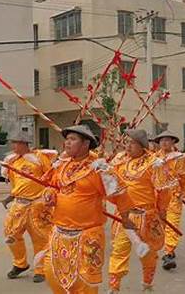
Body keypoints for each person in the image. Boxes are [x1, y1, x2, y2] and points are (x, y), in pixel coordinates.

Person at [42, 125, 133, 294]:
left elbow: (120, 195)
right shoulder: (62, 165)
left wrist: (126, 218)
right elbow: (53, 185)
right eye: (66, 139)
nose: (67, 143)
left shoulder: (99, 168)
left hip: (87, 234)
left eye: (72, 139)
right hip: (60, 232)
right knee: (51, 273)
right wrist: (50, 194)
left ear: (85, 144)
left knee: (85, 283)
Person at [108, 129, 173, 293]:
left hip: (147, 215)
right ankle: (114, 287)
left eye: (132, 143)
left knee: (148, 254)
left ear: (141, 145)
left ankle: (147, 284)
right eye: (126, 142)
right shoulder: (119, 160)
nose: (127, 146)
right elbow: (110, 183)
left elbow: (164, 191)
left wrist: (162, 210)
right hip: (124, 215)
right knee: (118, 250)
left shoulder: (153, 163)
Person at [1, 130, 53, 283]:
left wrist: (47, 196)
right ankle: (20, 263)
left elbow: (50, 177)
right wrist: (11, 196)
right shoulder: (13, 161)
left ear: (24, 144)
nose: (13, 146)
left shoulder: (39, 158)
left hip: (37, 204)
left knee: (40, 238)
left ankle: (40, 269)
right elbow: (16, 183)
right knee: (11, 234)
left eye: (15, 143)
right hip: (19, 204)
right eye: (13, 142)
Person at [152, 130, 185, 270]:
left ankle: (168, 253)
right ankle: (168, 247)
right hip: (158, 195)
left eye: (168, 140)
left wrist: (183, 192)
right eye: (162, 140)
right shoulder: (154, 158)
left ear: (173, 142)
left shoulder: (179, 158)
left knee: (172, 222)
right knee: (162, 224)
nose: (164, 142)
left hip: (174, 194)